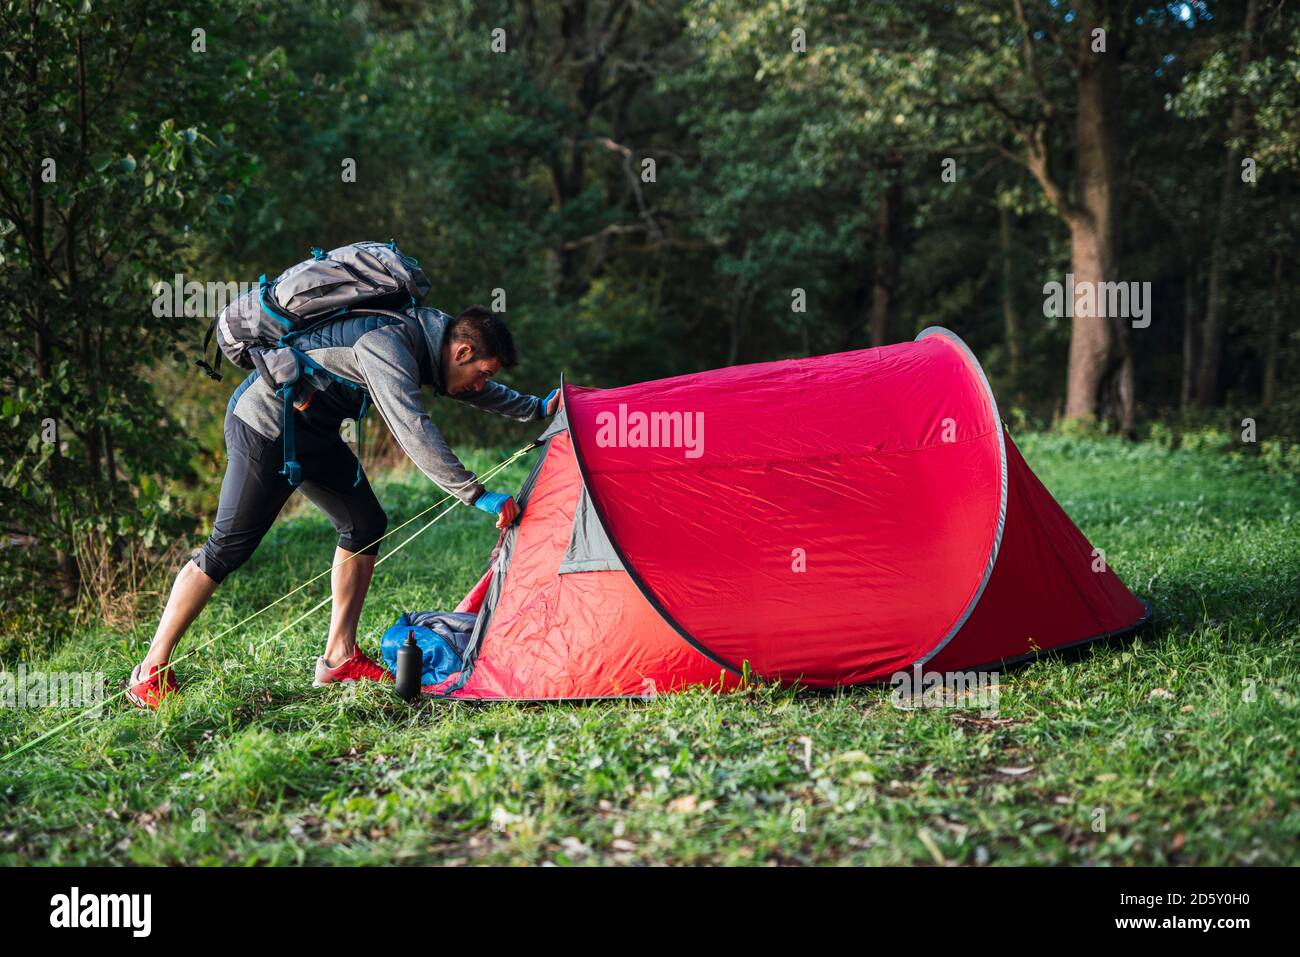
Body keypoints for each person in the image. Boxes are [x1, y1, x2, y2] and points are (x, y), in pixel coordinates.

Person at [127, 305, 557, 708]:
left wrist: (535, 408)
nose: (480, 384)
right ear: (462, 351)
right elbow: (413, 428)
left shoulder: (432, 338)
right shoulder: (387, 345)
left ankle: (339, 657)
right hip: (265, 424)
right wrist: (475, 493)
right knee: (227, 547)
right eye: (482, 373)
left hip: (315, 431)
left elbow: (461, 385)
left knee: (365, 522)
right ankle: (150, 671)